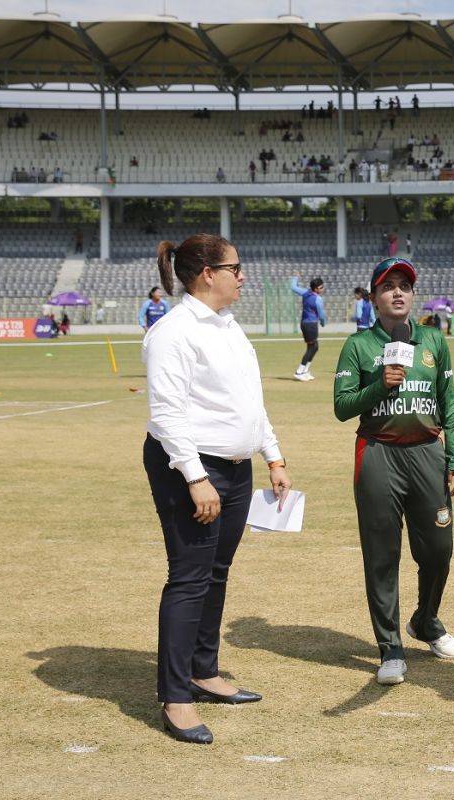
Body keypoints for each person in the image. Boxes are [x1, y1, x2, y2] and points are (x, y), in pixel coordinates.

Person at [143, 234, 293, 744]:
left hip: (234, 466)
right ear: (208, 273)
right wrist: (195, 476)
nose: (242, 275)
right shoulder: (174, 331)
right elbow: (166, 414)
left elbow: (249, 401)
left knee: (218, 571)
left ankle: (203, 671)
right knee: (189, 576)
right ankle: (175, 697)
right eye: (236, 266)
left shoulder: (228, 327)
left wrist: (272, 454)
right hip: (191, 467)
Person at [333, 257, 454, 687]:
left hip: (428, 453)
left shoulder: (432, 339)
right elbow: (342, 407)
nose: (397, 292)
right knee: (381, 555)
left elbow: (448, 401)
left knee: (438, 550)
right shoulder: (358, 346)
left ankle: (425, 620)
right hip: (378, 454)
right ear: (374, 297)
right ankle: (390, 646)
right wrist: (379, 385)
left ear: (412, 295)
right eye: (387, 286)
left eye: (404, 286)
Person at [290, 275, 327, 381]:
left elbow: (293, 287)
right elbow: (321, 314)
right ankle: (299, 371)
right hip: (311, 324)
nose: (322, 289)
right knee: (312, 347)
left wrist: (295, 277)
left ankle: (305, 371)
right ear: (315, 288)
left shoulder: (305, 292)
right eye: (321, 287)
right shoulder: (318, 299)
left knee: (314, 347)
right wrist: (323, 322)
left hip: (305, 323)